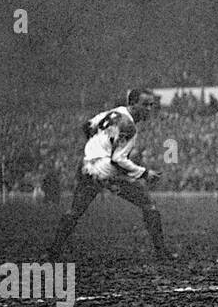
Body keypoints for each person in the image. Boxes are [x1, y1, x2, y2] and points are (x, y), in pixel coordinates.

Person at [50, 88, 167, 259]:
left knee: (75, 211)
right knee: (149, 205)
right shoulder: (129, 126)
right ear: (132, 104)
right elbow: (118, 159)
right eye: (145, 105)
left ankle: (54, 251)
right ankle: (161, 253)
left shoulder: (114, 112)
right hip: (107, 169)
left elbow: (87, 126)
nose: (149, 109)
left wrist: (98, 145)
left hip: (88, 166)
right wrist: (144, 173)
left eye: (151, 105)